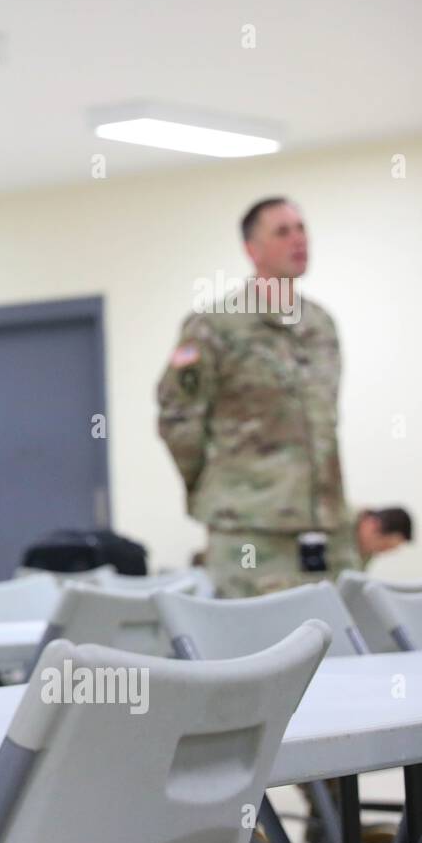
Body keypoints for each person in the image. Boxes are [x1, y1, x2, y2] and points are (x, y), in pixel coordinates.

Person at [157, 198, 356, 598]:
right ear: (252, 249)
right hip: (250, 531)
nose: (298, 240)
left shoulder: (320, 325)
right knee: (257, 652)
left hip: (325, 529)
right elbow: (178, 416)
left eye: (302, 229)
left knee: (340, 650)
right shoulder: (216, 326)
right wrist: (219, 486)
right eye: (282, 232)